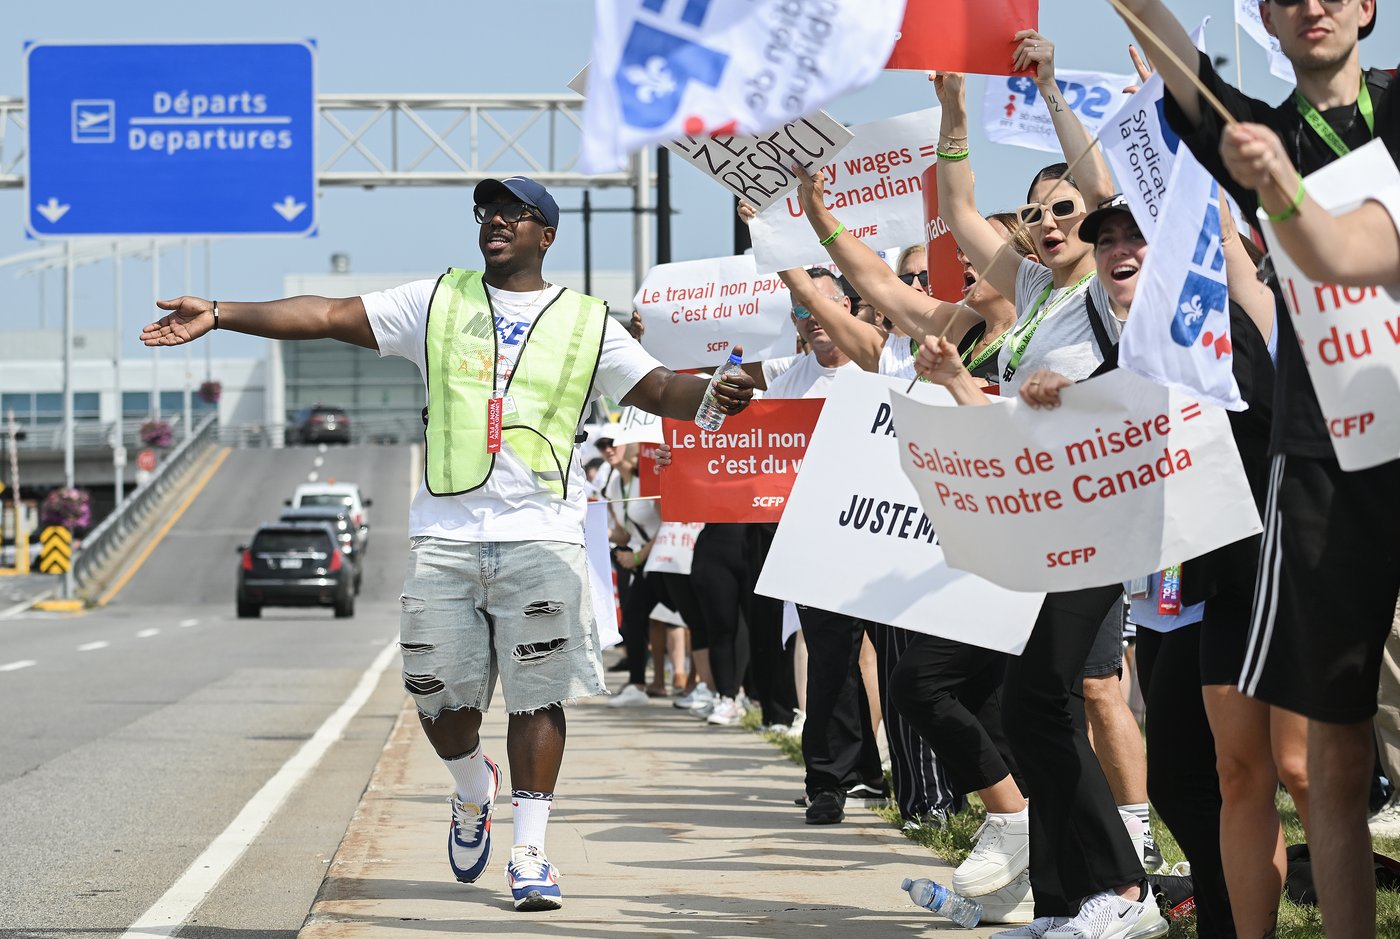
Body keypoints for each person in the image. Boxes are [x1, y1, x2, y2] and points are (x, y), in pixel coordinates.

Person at [140, 174, 754, 913]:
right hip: (445, 534)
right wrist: (218, 312)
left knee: (537, 692)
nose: (494, 221)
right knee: (436, 694)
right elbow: (329, 314)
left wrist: (716, 395)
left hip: (542, 532)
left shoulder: (588, 320)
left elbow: (659, 390)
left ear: (545, 234)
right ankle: (472, 787)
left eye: (513, 213)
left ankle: (531, 850)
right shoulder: (439, 299)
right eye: (485, 211)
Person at [1110, 1, 1395, 935]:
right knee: (1334, 748)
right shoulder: (1253, 132)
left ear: (1368, 8)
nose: (1312, 4)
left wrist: (1290, 198)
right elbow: (1175, 55)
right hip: (1321, 464)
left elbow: (1350, 247)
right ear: (1266, 18)